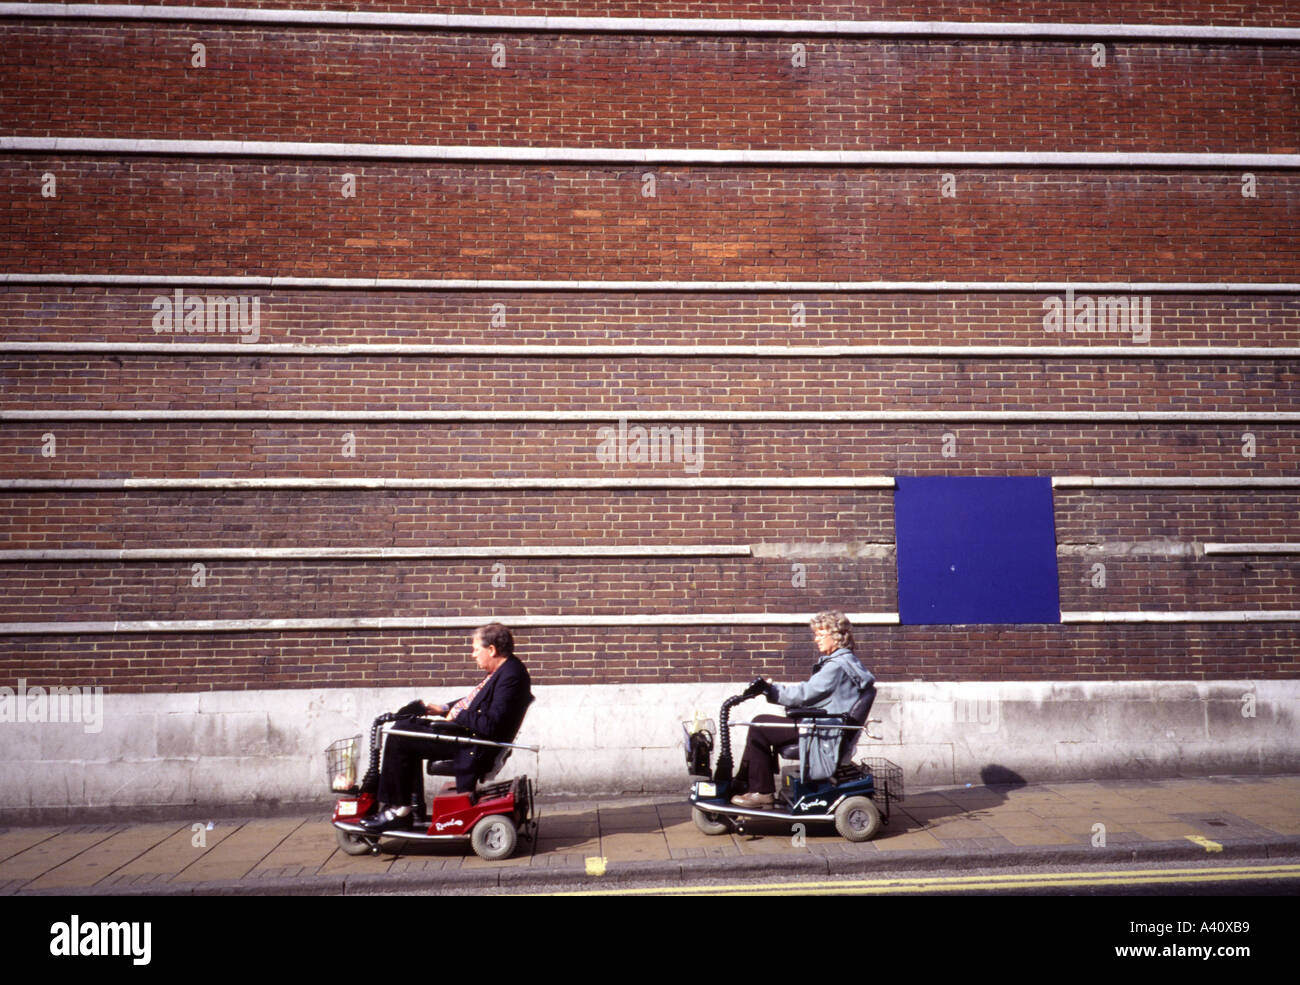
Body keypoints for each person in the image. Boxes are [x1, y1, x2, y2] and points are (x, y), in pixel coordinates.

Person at [361, 622, 532, 833]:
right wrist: (442, 708)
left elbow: (492, 725)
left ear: (492, 650)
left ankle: (398, 810)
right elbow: (475, 701)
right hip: (468, 736)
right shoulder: (505, 670)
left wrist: (457, 714)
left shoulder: (510, 676)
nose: (472, 655)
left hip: (473, 747)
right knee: (404, 726)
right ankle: (410, 807)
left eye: (475, 649)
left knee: (399, 737)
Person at [731, 610, 874, 808]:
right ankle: (744, 782)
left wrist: (769, 689)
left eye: (820, 634)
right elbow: (815, 694)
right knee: (760, 722)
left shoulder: (836, 667)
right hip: (826, 725)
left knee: (758, 726)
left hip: (822, 729)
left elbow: (805, 693)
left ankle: (761, 791)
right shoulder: (846, 662)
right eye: (815, 634)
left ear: (837, 637)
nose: (816, 639)